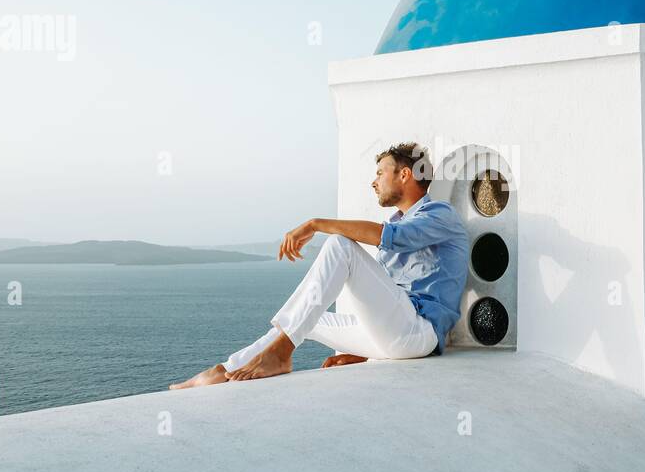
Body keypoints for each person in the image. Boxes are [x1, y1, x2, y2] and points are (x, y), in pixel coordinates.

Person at [170, 142, 468, 388]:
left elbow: (395, 239)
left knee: (340, 245)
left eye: (380, 172)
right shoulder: (395, 221)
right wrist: (360, 351)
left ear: (405, 175)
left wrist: (315, 224)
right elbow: (387, 295)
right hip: (392, 337)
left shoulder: (440, 214)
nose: (373, 181)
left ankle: (281, 355)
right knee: (303, 319)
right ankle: (224, 371)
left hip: (420, 331)